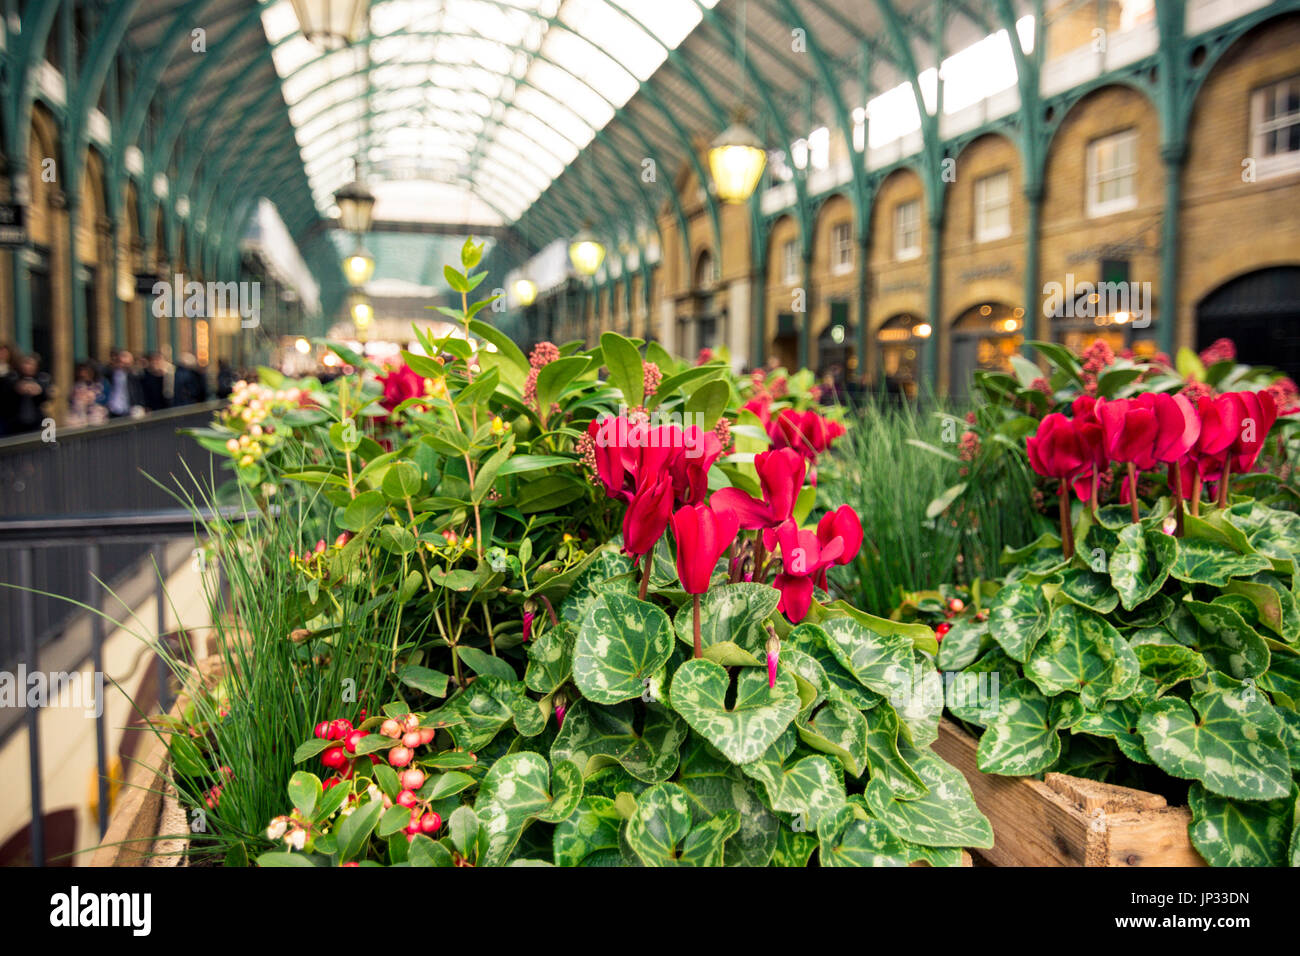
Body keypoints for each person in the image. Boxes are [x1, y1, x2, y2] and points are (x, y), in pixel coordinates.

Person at [2, 353, 52, 434]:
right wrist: (18, 387)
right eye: (25, 363)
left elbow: (47, 396)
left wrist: (39, 389)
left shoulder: (42, 378)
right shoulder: (12, 377)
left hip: (35, 421)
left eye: (31, 364)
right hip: (15, 423)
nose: (27, 367)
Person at [66, 360, 109, 427]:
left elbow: (104, 399)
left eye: (86, 371)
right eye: (81, 371)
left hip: (96, 419)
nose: (83, 374)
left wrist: (91, 398)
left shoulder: (101, 384)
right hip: (79, 420)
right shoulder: (77, 385)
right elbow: (71, 401)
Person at [105, 349, 144, 418]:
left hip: (130, 410)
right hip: (113, 410)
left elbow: (140, 392)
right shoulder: (109, 374)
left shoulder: (136, 376)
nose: (122, 365)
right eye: (120, 362)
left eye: (126, 364)